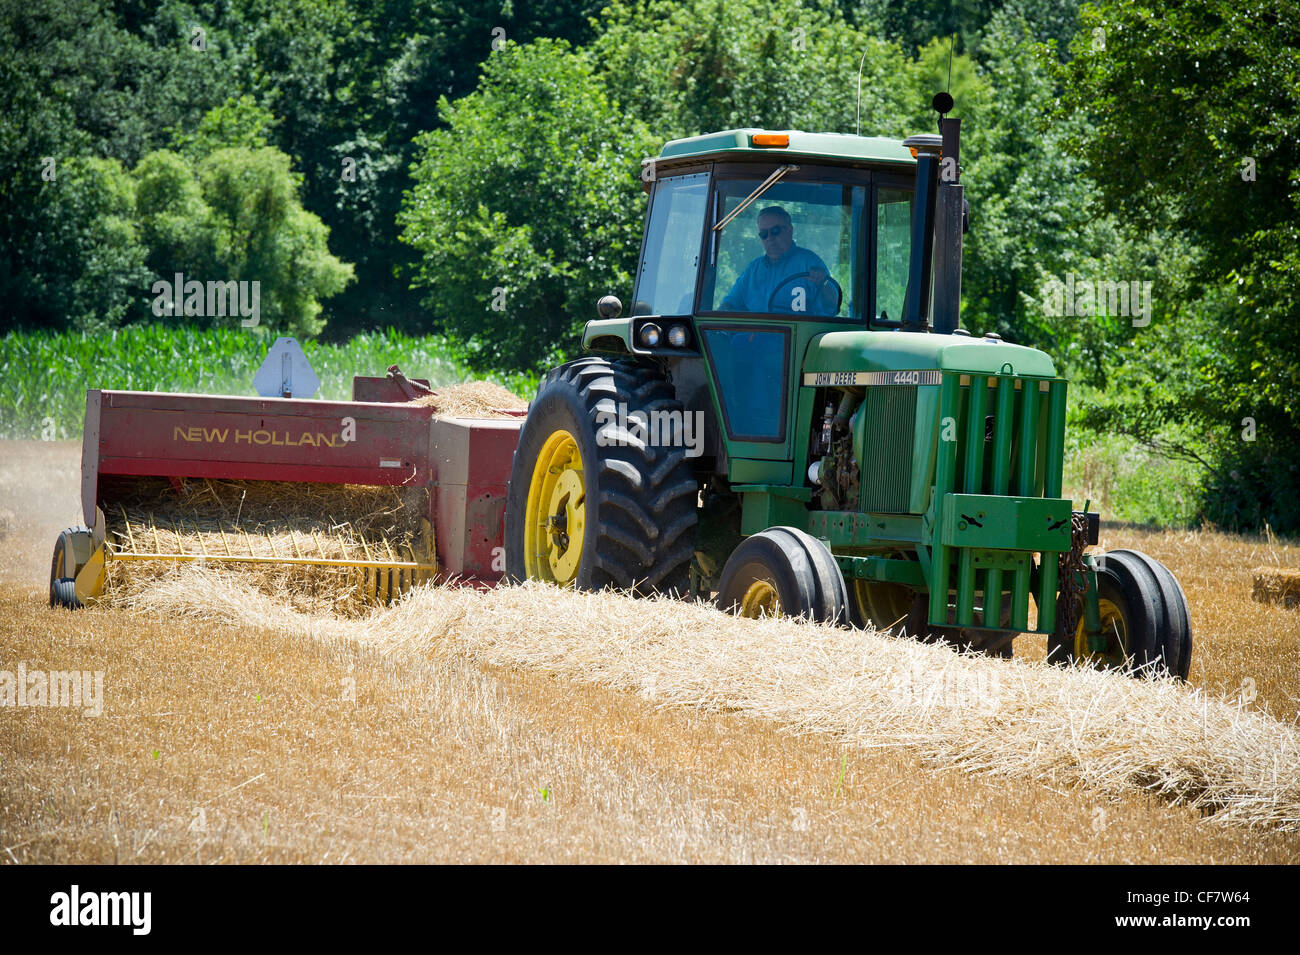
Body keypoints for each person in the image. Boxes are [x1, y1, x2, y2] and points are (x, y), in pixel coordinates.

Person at [718, 206, 837, 315]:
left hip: (798, 336)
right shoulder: (753, 270)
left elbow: (833, 305)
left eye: (775, 231)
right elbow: (729, 304)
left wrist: (822, 285)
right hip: (755, 335)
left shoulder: (809, 263)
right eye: (764, 234)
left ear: (790, 230)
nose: (769, 238)